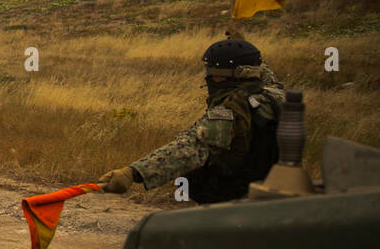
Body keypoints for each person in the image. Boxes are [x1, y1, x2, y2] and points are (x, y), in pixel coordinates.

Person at [98, 35, 284, 204]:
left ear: (227, 77)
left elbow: (187, 149)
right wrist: (242, 46)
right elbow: (262, 69)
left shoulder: (231, 113)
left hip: (238, 195)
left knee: (190, 177)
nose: (209, 79)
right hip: (272, 183)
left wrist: (132, 173)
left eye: (214, 74)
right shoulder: (272, 93)